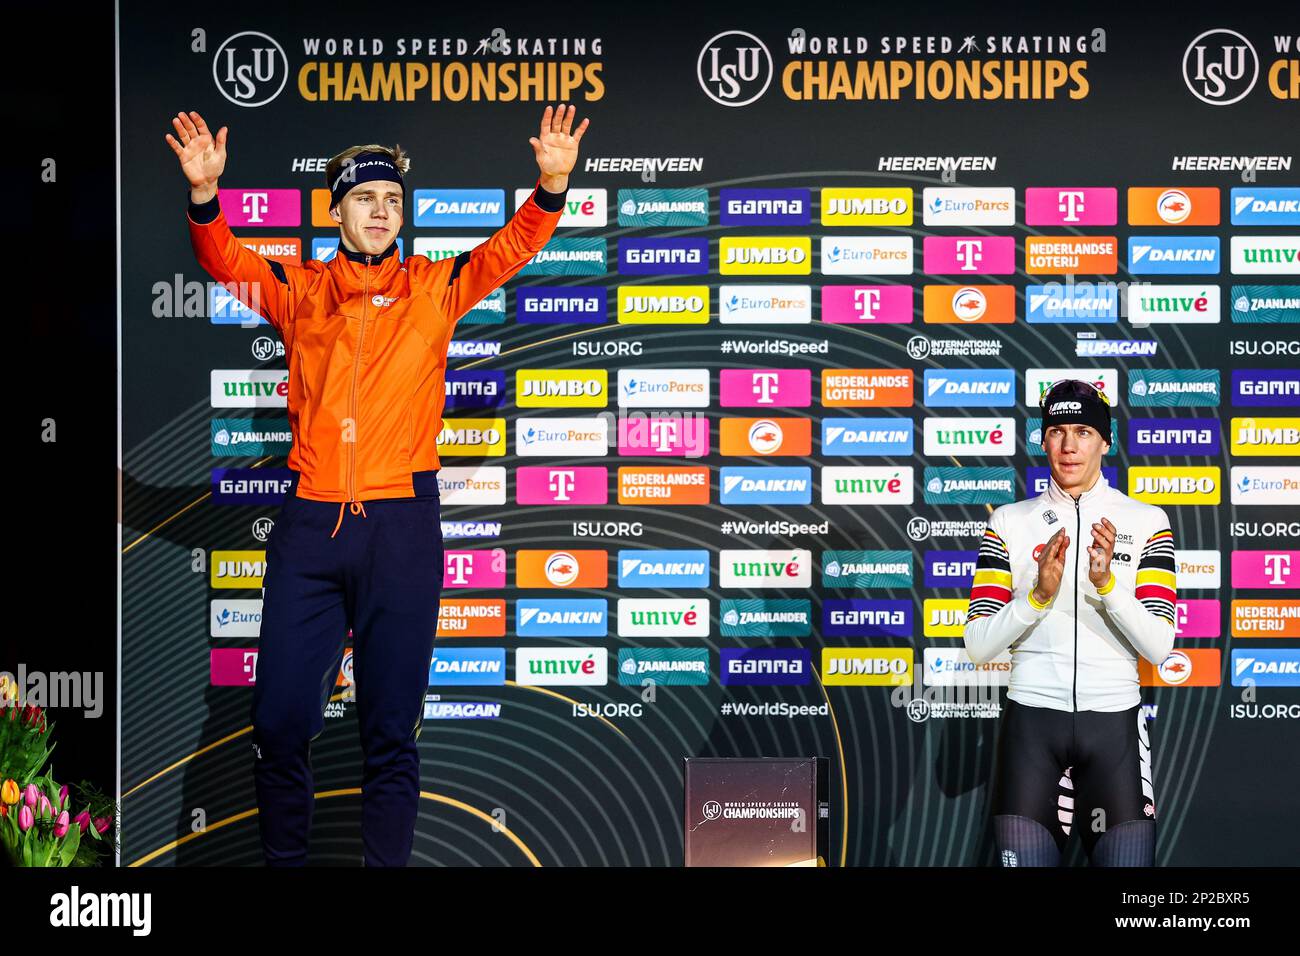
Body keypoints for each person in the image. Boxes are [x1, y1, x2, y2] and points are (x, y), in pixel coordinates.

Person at [166, 105, 590, 865]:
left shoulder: (435, 286)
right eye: (366, 198)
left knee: (391, 732)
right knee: (279, 724)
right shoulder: (301, 289)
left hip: (400, 527)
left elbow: (511, 248)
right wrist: (205, 197)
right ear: (337, 210)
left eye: (393, 200)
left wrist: (551, 186)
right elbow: (224, 259)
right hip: (311, 529)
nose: (381, 211)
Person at [962, 378, 1177, 867]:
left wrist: (1108, 586)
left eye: (1083, 431)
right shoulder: (1009, 522)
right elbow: (977, 645)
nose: (1069, 445)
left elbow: (1160, 646)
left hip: (1115, 727)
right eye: (1057, 431)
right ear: (1042, 440)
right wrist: (1036, 597)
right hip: (1032, 727)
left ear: (1106, 441)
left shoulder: (1146, 520)